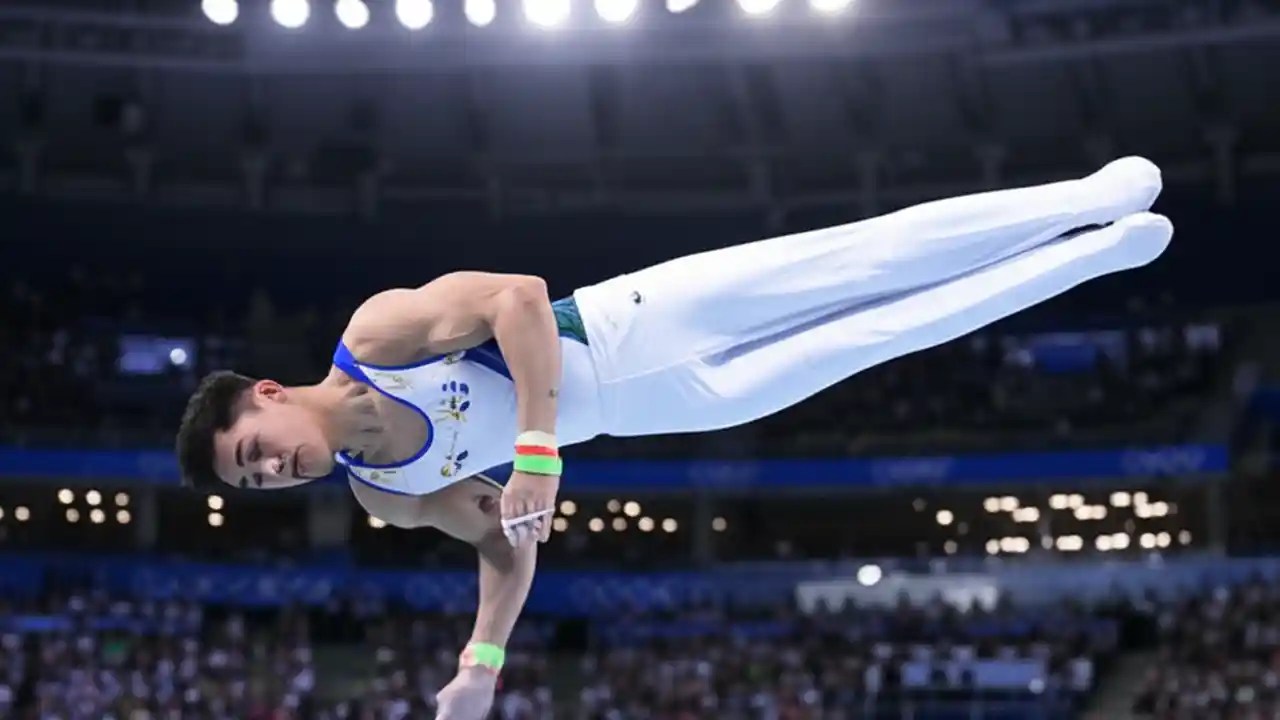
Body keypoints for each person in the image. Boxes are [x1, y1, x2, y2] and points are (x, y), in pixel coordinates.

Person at [174, 157, 1171, 719]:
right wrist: (481, 662)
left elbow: (518, 298)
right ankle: (1090, 261)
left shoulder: (375, 336)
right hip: (671, 406)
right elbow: (501, 542)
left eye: (251, 447)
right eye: (254, 481)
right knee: (886, 333)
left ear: (265, 394)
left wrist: (532, 443)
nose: (269, 469)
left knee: (861, 264)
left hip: (636, 321)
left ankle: (1082, 201)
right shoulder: (381, 497)